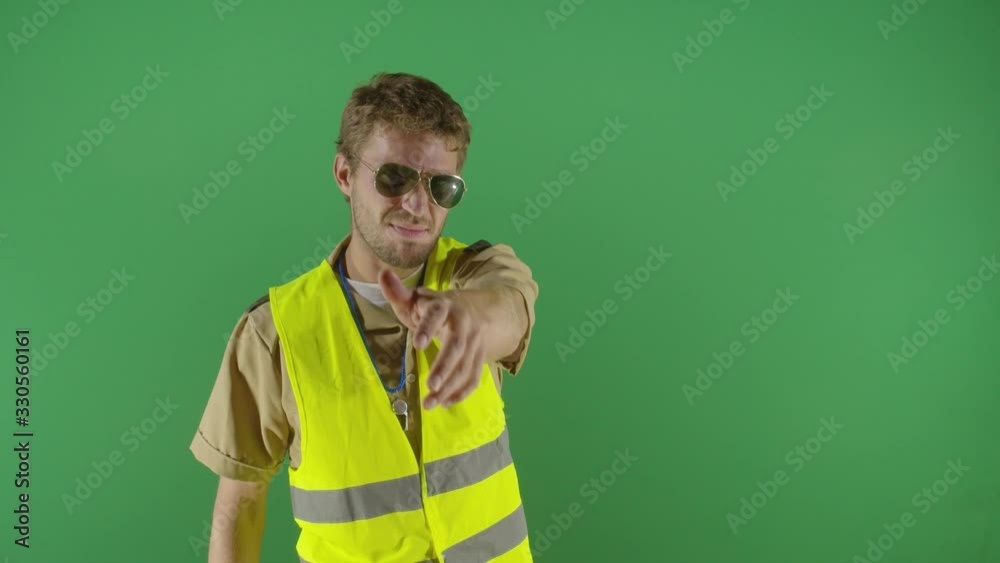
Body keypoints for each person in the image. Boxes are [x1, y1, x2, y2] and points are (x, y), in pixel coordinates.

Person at [189, 72, 539, 563]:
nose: (418, 205)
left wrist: (474, 318)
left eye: (442, 187)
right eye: (395, 178)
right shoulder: (273, 334)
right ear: (345, 175)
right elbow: (239, 505)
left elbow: (510, 304)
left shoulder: (473, 274)